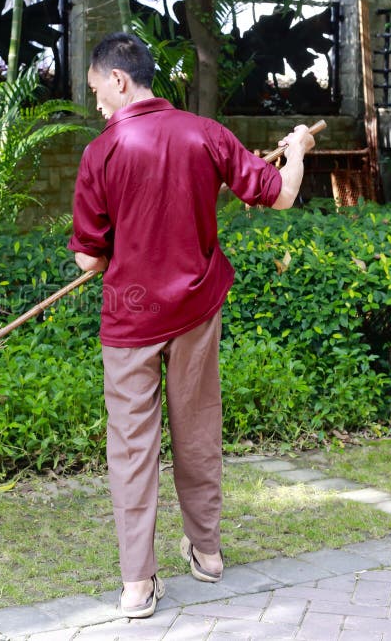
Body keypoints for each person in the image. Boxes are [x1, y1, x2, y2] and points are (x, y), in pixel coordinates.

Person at [68, 32, 315, 619]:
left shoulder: (102, 151)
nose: (97, 102)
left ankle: (136, 586)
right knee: (198, 427)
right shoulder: (205, 133)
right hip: (196, 309)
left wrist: (111, 250)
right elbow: (279, 194)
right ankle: (206, 554)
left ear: (119, 80)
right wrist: (298, 149)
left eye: (97, 88)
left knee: (132, 447)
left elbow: (89, 259)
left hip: (130, 318)